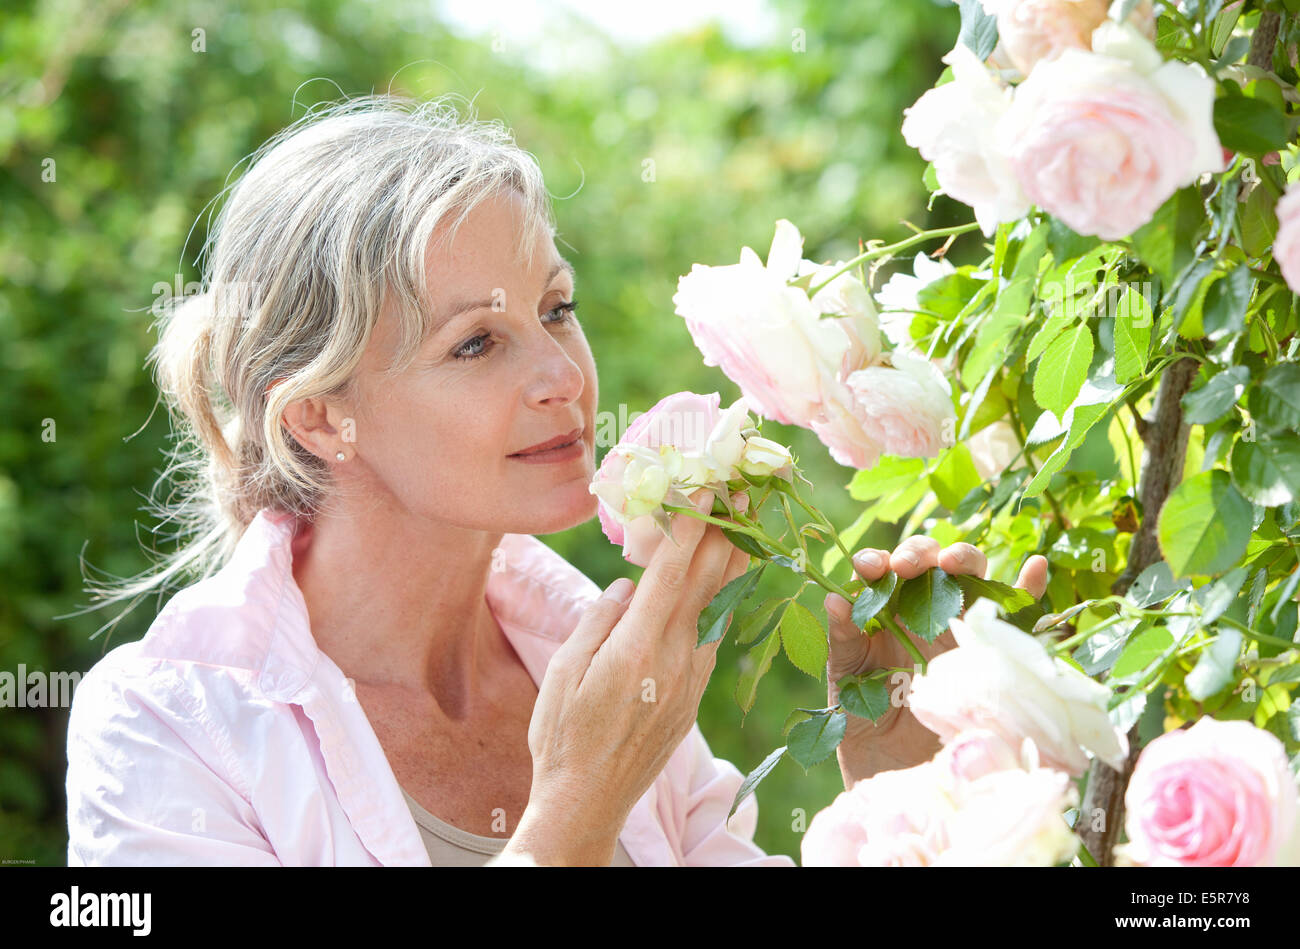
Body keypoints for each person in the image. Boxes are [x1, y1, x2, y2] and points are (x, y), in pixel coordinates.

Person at [65, 94, 1047, 867]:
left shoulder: (577, 653)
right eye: (478, 340)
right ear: (322, 415)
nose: (563, 377)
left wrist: (892, 776)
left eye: (557, 308)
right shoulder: (168, 723)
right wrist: (574, 811)